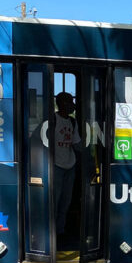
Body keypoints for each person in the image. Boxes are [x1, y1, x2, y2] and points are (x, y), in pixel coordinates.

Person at [51, 92, 81, 236]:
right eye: (70, 102)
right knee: (55, 201)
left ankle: (60, 231)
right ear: (61, 104)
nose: (73, 105)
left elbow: (76, 144)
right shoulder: (52, 120)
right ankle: (52, 234)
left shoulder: (72, 121)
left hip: (70, 165)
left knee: (65, 202)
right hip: (55, 166)